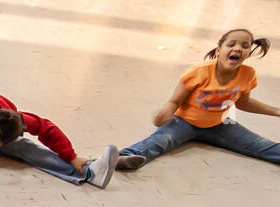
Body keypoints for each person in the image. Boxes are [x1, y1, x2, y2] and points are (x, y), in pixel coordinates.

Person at [117, 28, 279, 170]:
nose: (238, 48)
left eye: (245, 46)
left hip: (218, 124)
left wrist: (277, 111)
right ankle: (120, 159)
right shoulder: (198, 72)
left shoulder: (247, 74)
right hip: (183, 122)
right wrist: (164, 113)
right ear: (218, 50)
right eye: (231, 44)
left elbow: (244, 102)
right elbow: (175, 101)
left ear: (248, 53)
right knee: (160, 141)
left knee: (260, 145)